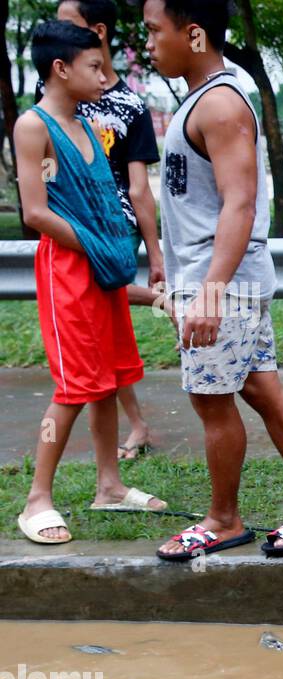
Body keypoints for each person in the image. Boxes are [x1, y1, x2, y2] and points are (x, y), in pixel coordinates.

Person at [144, 0, 283, 560]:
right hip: (224, 277)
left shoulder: (221, 104)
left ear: (196, 33)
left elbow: (239, 203)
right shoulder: (205, 98)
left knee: (211, 400)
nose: (150, 43)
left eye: (156, 31)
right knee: (260, 386)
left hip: (222, 281)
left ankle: (223, 520)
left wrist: (208, 291)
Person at [14, 20, 166, 545]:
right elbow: (36, 213)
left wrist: (131, 249)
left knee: (108, 377)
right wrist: (97, 245)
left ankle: (110, 485)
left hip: (103, 272)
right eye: (95, 67)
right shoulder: (33, 127)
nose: (105, 79)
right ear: (60, 68)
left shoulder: (86, 123)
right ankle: (37, 499)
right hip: (68, 273)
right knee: (74, 388)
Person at [50, 0, 166, 461]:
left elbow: (140, 187)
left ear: (96, 31)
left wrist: (154, 253)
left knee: (100, 328)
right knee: (106, 335)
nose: (58, 32)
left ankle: (164, 298)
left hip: (112, 231)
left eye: (68, 25)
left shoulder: (129, 106)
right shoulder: (61, 102)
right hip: (75, 229)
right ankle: (134, 428)